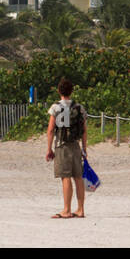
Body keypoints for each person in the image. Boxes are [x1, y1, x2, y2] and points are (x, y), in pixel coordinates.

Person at [45, 78, 88, 218]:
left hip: (62, 145)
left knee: (65, 176)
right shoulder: (79, 107)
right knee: (78, 177)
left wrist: (49, 149)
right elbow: (84, 130)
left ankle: (67, 210)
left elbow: (51, 130)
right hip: (75, 145)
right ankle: (80, 209)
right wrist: (84, 149)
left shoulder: (56, 107)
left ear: (59, 91)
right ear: (71, 91)